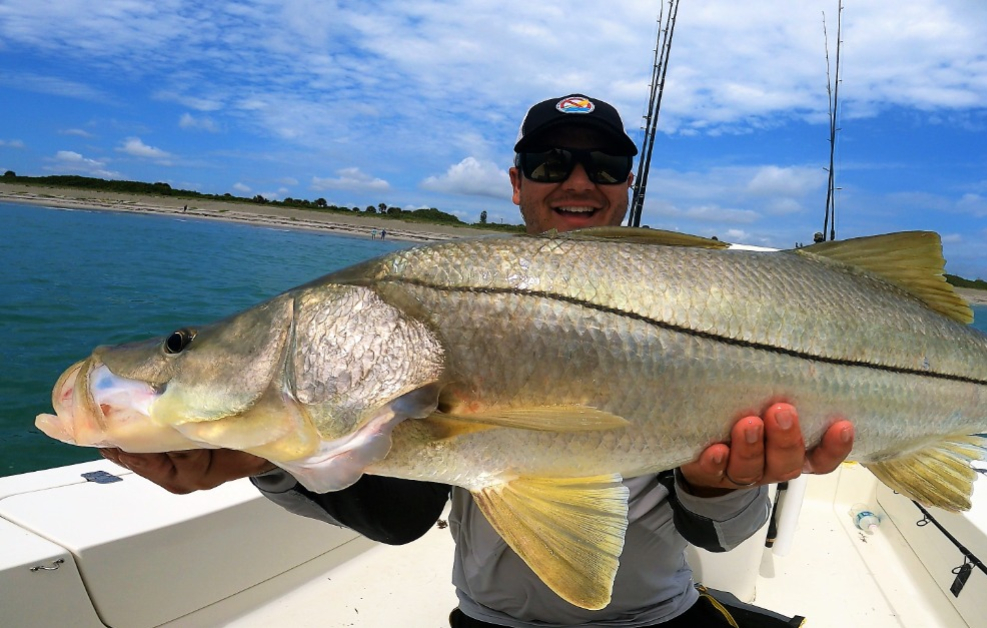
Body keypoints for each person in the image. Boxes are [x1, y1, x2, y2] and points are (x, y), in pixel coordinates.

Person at [100, 94, 856, 627]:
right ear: (517, 183)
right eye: (550, 162)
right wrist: (262, 454)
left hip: (663, 617)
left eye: (605, 166)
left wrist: (714, 482)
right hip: (489, 621)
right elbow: (401, 513)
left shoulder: (696, 303)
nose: (578, 182)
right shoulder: (444, 303)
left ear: (627, 184)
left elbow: (723, 538)